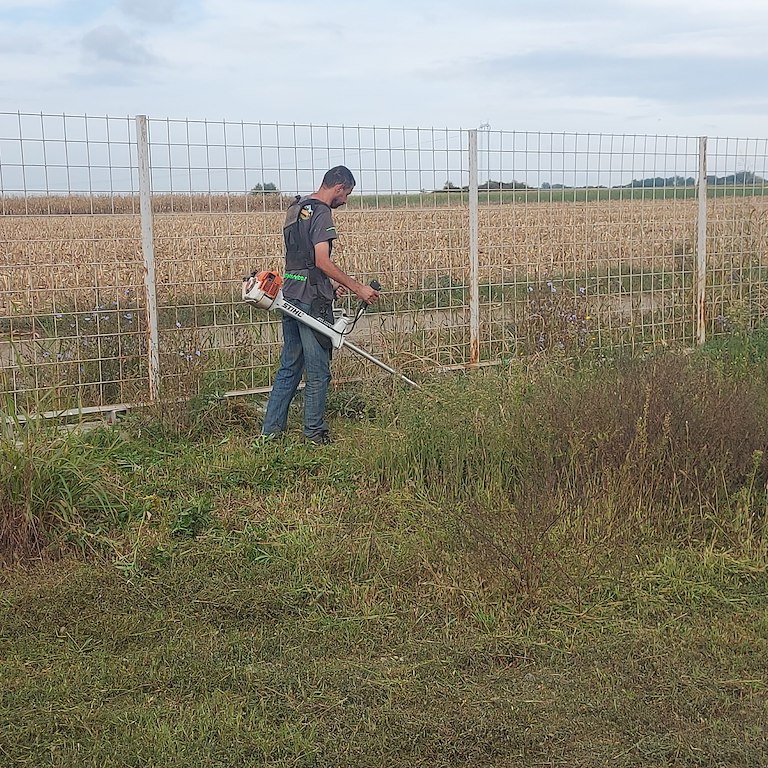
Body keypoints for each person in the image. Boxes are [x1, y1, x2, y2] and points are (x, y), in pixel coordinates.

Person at [261, 166, 379, 444]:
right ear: (339, 187)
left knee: (290, 366)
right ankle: (315, 433)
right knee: (318, 370)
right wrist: (357, 287)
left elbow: (301, 259)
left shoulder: (296, 208)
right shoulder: (322, 212)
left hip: (290, 292)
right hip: (311, 301)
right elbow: (321, 260)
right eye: (347, 193)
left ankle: (270, 432)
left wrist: (329, 283)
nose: (346, 200)